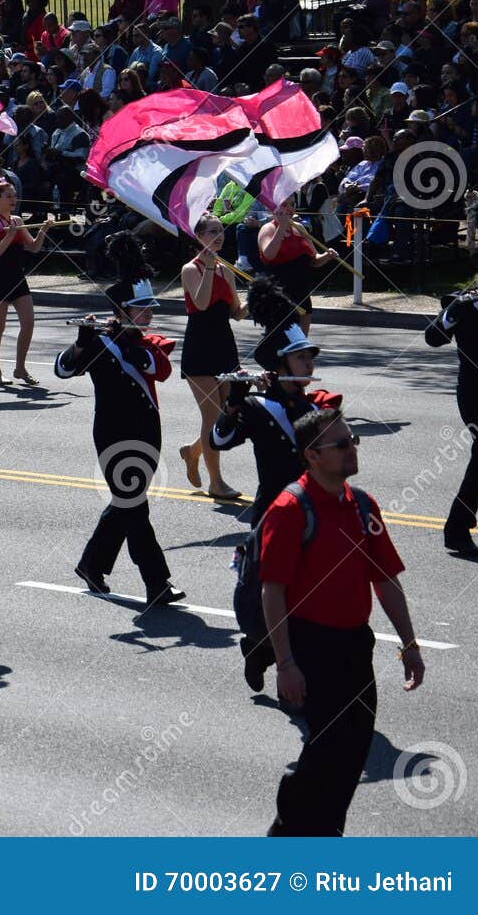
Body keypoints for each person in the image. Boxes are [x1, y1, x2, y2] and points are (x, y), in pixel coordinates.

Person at [261, 407, 422, 836]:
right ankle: (288, 830)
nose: (352, 449)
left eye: (352, 440)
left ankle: (328, 830)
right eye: (341, 444)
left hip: (355, 645)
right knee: (328, 745)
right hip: (310, 644)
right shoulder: (291, 507)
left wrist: (409, 644)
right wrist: (286, 663)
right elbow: (272, 591)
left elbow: (385, 578)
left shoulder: (362, 505)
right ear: (312, 456)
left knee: (354, 744)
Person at [213, 275, 342, 690]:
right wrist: (232, 404)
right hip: (273, 513)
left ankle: (290, 666)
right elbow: (220, 440)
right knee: (277, 597)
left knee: (309, 598)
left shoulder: (313, 405)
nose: (311, 364)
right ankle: (260, 648)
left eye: (310, 356)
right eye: (303, 358)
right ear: (283, 364)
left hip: (315, 515)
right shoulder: (258, 406)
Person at [55, 233, 184, 607]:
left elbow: (159, 369)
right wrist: (82, 342)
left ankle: (92, 565)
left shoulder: (146, 342)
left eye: (150, 308)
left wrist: (129, 339)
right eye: (142, 309)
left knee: (128, 502)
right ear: (123, 309)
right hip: (112, 433)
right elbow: (63, 370)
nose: (150, 314)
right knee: (134, 505)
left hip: (147, 430)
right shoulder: (98, 342)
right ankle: (157, 582)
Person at [176, 213, 244, 501]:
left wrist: (266, 298)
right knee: (212, 416)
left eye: (221, 231)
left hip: (224, 344)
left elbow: (235, 312)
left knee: (230, 412)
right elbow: (202, 304)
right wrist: (208, 268)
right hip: (199, 346)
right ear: (199, 237)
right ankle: (216, 482)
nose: (219, 235)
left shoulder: (226, 270)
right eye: (212, 231)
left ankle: (192, 451)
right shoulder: (190, 269)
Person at [422, 266, 478, 556]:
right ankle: (457, 529)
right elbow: (432, 338)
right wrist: (451, 313)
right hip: (475, 395)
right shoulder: (467, 307)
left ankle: (458, 526)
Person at [0, 176, 55, 385]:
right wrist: (7, 236)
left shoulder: (17, 220)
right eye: (8, 196)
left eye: (14, 195)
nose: (13, 199)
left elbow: (33, 247)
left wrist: (43, 231)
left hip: (16, 276)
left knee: (29, 323)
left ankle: (20, 368)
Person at [258, 197, 338, 334]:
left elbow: (315, 260)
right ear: (274, 208)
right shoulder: (268, 228)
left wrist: (327, 256)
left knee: (301, 345)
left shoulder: (299, 228)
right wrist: (282, 227)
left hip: (302, 291)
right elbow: (268, 255)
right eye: (284, 204)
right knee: (281, 341)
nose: (290, 208)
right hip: (279, 295)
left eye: (292, 204)